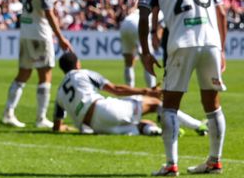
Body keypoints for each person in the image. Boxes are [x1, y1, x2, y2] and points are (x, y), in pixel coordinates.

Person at [140, 0, 228, 176]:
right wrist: (222, 50)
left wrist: (146, 53)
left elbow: (144, 13)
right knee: (213, 104)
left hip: (182, 42)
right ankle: (214, 161)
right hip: (211, 43)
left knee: (170, 105)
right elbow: (222, 13)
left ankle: (171, 164)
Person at [51, 52, 206, 136]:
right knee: (155, 104)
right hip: (103, 109)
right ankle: (198, 125)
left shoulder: (59, 92)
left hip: (95, 126)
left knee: (140, 125)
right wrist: (147, 91)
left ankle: (158, 131)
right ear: (77, 63)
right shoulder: (83, 73)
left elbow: (57, 126)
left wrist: (66, 128)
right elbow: (116, 89)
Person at [0, 0, 72, 128]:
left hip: (26, 29)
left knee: (23, 73)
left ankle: (8, 113)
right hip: (40, 32)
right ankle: (41, 118)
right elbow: (48, 12)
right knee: (45, 73)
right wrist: (60, 37)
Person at [118, 7, 159, 88]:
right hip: (138, 24)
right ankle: (152, 90)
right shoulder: (160, 10)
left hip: (125, 23)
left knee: (128, 62)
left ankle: (130, 90)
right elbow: (160, 27)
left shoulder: (141, 7)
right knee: (148, 61)